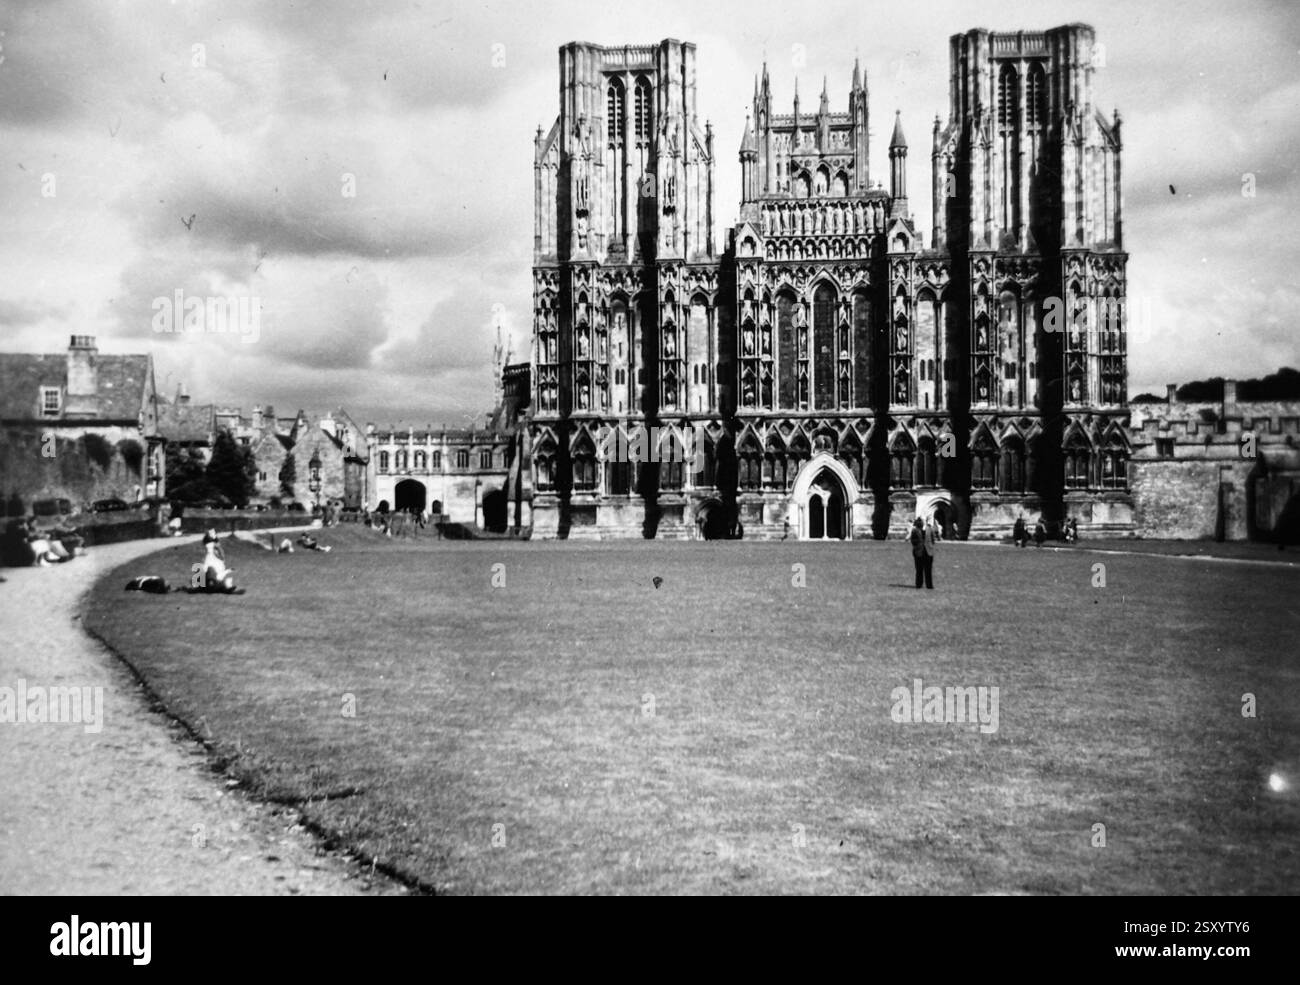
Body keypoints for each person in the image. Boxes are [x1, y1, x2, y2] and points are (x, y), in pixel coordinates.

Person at [909, 516, 936, 590]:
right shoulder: (915, 530)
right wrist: (917, 546)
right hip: (919, 552)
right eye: (921, 520)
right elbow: (913, 540)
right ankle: (919, 585)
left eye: (923, 520)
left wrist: (930, 546)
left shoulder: (929, 528)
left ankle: (929, 585)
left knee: (928, 570)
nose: (922, 521)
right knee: (919, 569)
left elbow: (933, 539)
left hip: (928, 552)